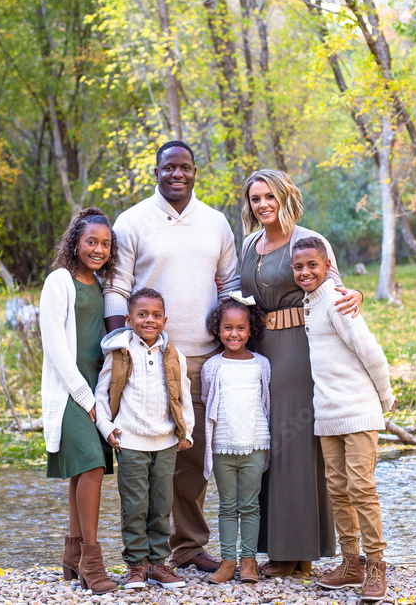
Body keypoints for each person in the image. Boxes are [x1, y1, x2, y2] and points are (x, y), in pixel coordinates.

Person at [103, 140, 240, 573]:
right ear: (157, 171)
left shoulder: (216, 223)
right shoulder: (132, 221)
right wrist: (120, 349)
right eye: (169, 168)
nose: (177, 174)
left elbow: (230, 285)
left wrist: (231, 342)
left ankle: (188, 546)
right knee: (145, 460)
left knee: (192, 457)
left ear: (195, 171)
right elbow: (117, 288)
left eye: (184, 167)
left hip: (200, 358)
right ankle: (143, 555)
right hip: (147, 359)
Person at [236, 169, 362, 576]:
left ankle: (300, 551)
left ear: (285, 197)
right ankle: (278, 546)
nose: (263, 205)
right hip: (260, 348)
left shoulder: (308, 239)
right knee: (268, 444)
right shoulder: (250, 243)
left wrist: (355, 294)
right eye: (256, 199)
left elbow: (335, 286)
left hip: (298, 348)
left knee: (293, 445)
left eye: (269, 196)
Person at [292, 236, 396, 603]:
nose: (305, 272)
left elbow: (371, 350)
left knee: (361, 489)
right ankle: (351, 562)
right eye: (299, 267)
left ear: (327, 266)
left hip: (359, 411)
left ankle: (375, 566)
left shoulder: (337, 301)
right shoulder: (310, 304)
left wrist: (385, 397)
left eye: (312, 266)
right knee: (337, 489)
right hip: (328, 414)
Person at [40, 208, 119, 595]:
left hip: (96, 389)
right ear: (75, 242)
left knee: (83, 472)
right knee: (89, 466)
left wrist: (101, 394)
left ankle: (72, 556)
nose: (98, 249)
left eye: (105, 243)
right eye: (91, 241)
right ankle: (92, 559)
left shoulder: (102, 284)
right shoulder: (59, 281)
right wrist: (84, 396)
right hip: (70, 390)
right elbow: (55, 346)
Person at [94, 288, 196, 590]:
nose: (148, 320)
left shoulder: (174, 354)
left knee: (161, 505)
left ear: (164, 320)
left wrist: (185, 431)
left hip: (165, 442)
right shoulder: (120, 352)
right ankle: (136, 566)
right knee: (135, 506)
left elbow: (184, 395)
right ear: (129, 318)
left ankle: (158, 566)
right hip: (130, 442)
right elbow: (103, 393)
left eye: (155, 315)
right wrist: (106, 427)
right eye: (142, 315)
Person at [200, 295, 271, 585]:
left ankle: (249, 562)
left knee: (250, 505)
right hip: (222, 445)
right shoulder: (212, 366)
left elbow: (266, 401)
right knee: (228, 505)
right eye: (228, 328)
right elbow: (208, 400)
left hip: (255, 443)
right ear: (218, 329)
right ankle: (228, 562)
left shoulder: (262, 365)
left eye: (241, 328)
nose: (234, 334)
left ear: (250, 329)